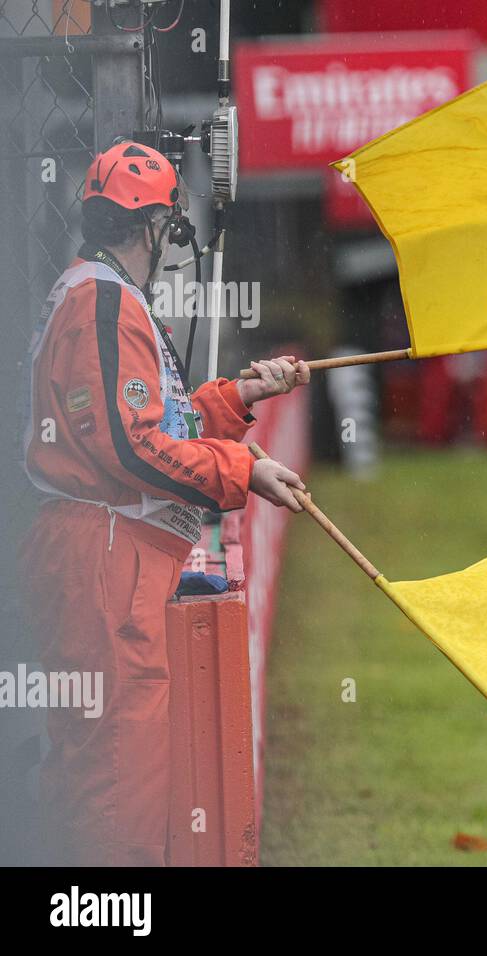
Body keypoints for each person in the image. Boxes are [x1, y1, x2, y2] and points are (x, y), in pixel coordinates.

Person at [19, 141, 309, 865]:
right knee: (118, 780)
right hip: (104, 560)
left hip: (110, 557)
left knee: (113, 768)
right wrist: (241, 471)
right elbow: (132, 446)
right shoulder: (103, 300)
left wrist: (240, 397)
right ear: (155, 226)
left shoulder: (101, 293)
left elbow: (153, 425)